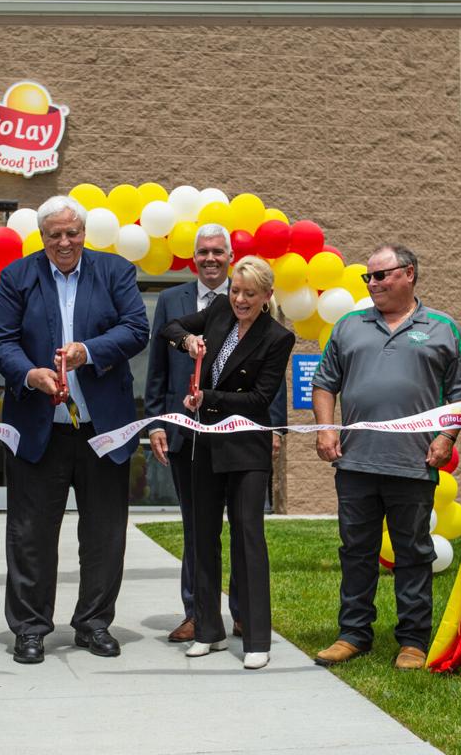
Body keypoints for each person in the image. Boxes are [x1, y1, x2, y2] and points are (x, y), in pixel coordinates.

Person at [0, 195, 149, 665]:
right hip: (39, 427)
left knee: (104, 534)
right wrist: (29, 374)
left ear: (84, 233)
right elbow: (1, 341)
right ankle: (31, 628)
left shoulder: (114, 272)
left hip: (104, 430)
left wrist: (89, 351)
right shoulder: (17, 276)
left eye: (71, 233)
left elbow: (136, 328)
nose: (64, 242)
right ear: (42, 237)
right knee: (30, 535)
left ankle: (94, 623)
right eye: (54, 234)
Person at [310, 244, 461, 670]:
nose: (372, 284)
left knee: (413, 552)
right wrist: (327, 427)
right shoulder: (348, 326)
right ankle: (353, 634)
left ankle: (413, 640)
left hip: (414, 464)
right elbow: (325, 382)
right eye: (368, 277)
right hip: (355, 463)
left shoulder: (441, 327)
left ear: (409, 275)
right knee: (356, 551)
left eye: (381, 276)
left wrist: (446, 438)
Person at [145, 225, 287, 644]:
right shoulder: (204, 307)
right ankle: (203, 622)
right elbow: (162, 350)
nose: (239, 299)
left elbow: (264, 394)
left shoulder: (274, 331)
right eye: (236, 292)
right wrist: (188, 340)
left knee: (246, 534)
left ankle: (249, 625)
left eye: (248, 293)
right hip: (195, 439)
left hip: (244, 443)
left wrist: (208, 398)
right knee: (200, 534)